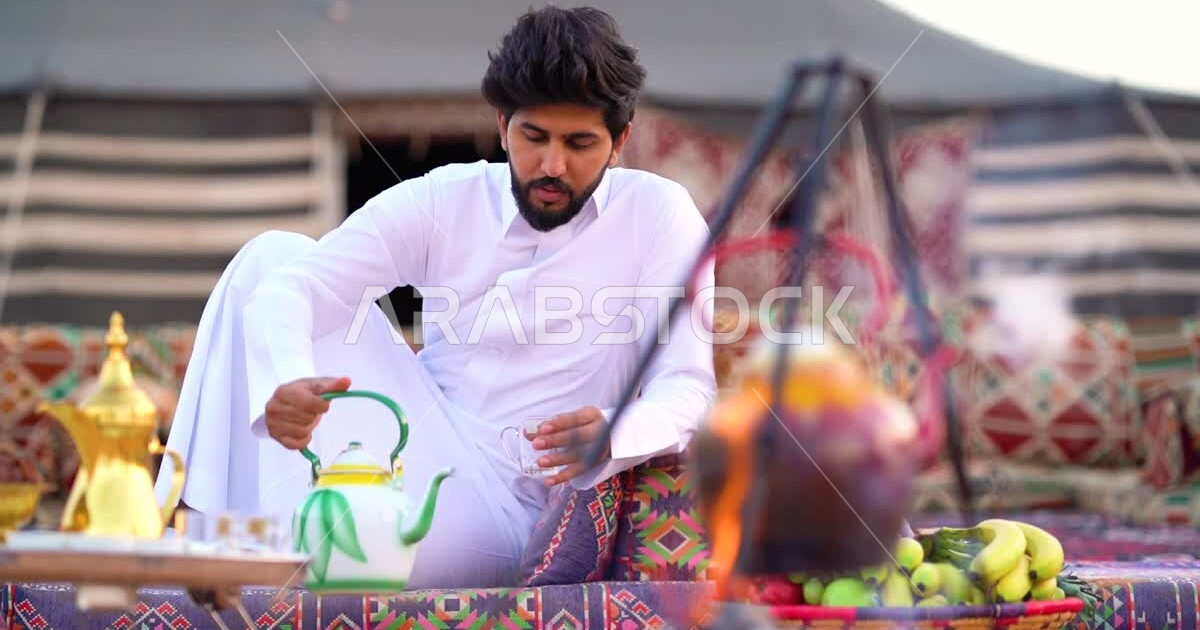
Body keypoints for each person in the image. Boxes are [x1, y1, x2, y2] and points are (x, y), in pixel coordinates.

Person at [155, 5, 716, 589]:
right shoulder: (447, 200)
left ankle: (245, 556)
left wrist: (615, 432)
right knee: (269, 258)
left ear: (619, 140)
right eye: (534, 137)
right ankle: (204, 547)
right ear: (502, 125)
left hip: (504, 520)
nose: (553, 165)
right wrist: (287, 381)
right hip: (416, 455)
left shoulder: (658, 215)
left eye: (579, 143)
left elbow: (690, 389)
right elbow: (292, 291)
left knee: (334, 515)